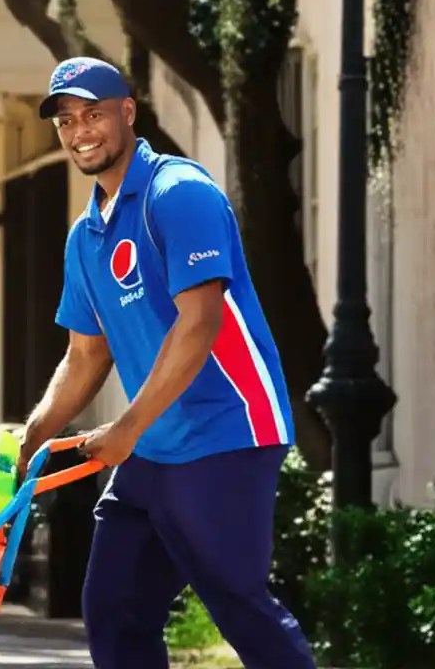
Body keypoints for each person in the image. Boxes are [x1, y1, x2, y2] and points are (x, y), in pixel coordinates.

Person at [18, 57, 318, 669]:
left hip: (228, 431)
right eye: (67, 121)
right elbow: (86, 353)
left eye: (94, 113)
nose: (81, 131)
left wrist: (126, 429)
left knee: (235, 598)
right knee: (115, 607)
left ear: (128, 113)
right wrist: (34, 437)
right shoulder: (87, 235)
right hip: (154, 448)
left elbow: (199, 322)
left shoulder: (177, 194)